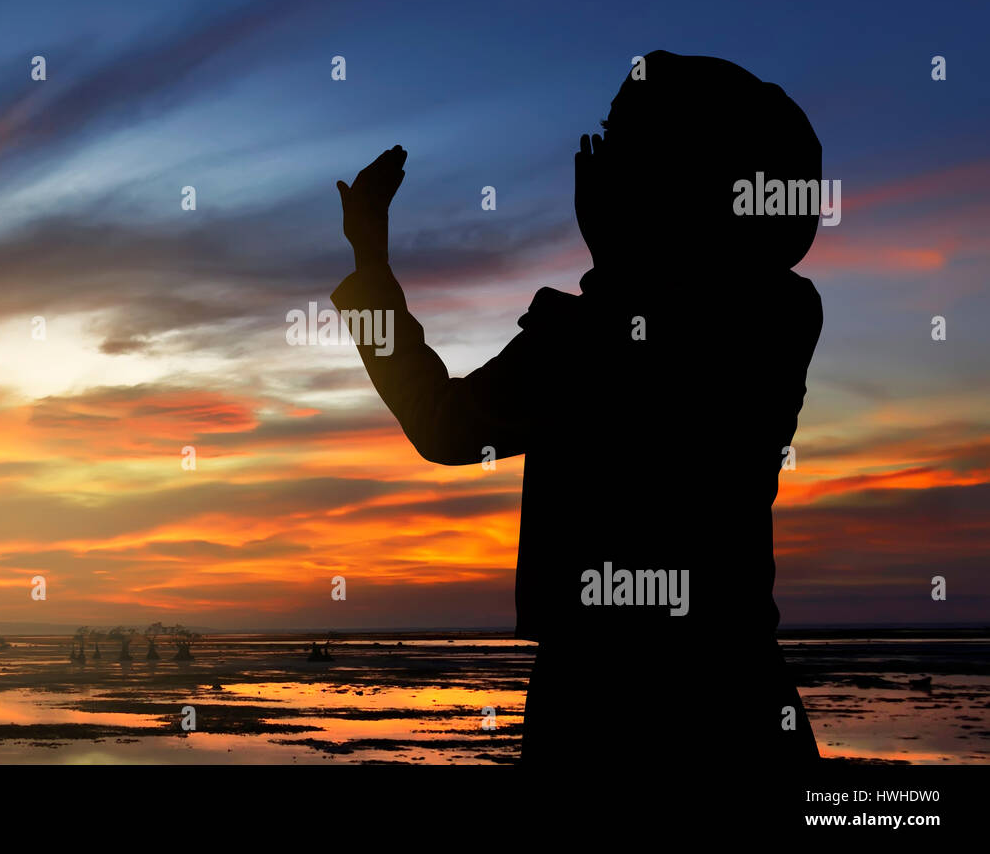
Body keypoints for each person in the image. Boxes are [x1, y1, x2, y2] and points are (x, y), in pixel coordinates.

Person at [330, 51, 824, 780]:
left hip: (612, 709)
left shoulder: (676, 325)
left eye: (616, 143)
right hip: (731, 690)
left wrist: (371, 265)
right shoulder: (779, 309)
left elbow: (443, 426)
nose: (593, 163)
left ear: (674, 175)